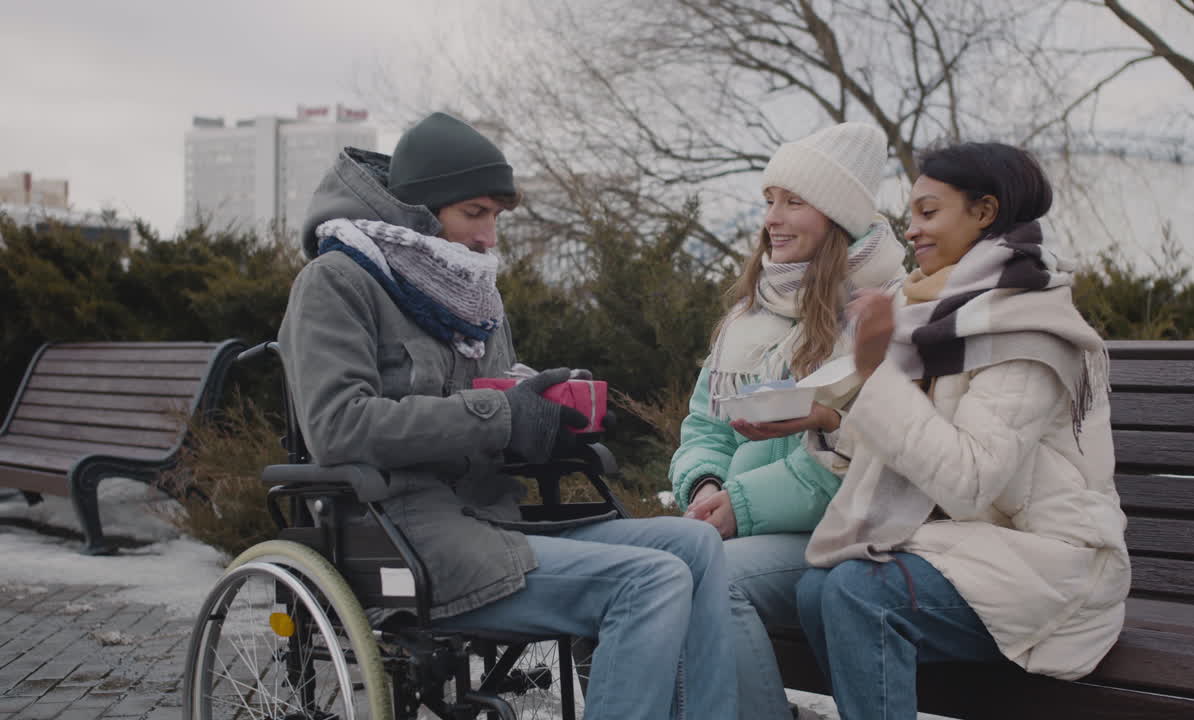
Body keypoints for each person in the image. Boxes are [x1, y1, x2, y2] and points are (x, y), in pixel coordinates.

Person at [279, 111, 736, 719]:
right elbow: (338, 427)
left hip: (495, 522)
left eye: (496, 216)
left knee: (696, 545)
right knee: (649, 581)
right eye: (475, 213)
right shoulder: (335, 281)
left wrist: (551, 421)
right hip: (405, 537)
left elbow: (499, 407)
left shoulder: (472, 294)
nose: (489, 236)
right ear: (420, 211)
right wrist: (501, 417)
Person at [796, 142, 1130, 720]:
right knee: (814, 591)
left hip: (1052, 567)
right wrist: (828, 420)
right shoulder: (933, 315)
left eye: (928, 212)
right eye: (911, 214)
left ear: (984, 212)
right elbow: (903, 447)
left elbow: (970, 481)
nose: (911, 230)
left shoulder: (1029, 329)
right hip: (968, 549)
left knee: (858, 594)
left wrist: (874, 374)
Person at [669, 122, 906, 719]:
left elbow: (864, 455)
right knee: (644, 574)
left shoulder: (884, 313)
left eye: (793, 202)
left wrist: (740, 506)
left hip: (848, 535)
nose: (772, 219)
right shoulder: (748, 316)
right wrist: (706, 486)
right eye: (769, 200)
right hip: (746, 522)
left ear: (838, 218)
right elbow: (705, 429)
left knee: (705, 576)